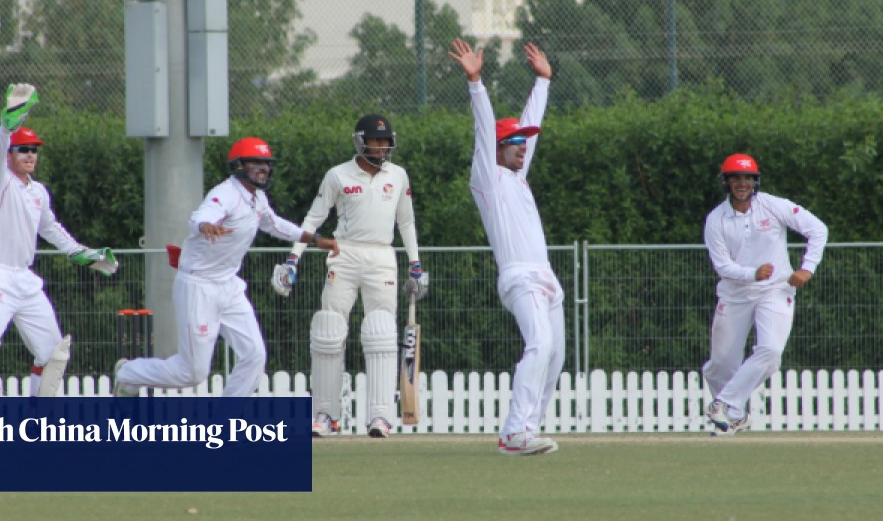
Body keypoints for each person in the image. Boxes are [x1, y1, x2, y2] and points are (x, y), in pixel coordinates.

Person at [113, 137, 339, 398]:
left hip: (229, 286)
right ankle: (127, 373)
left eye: (266, 164)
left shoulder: (257, 199)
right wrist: (206, 225)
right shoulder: (226, 193)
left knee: (254, 355)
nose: (263, 169)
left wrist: (315, 239)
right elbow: (202, 215)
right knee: (192, 373)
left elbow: (274, 224)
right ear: (239, 166)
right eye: (256, 163)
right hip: (199, 286)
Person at [0, 83, 119, 398]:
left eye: (34, 149)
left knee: (54, 354)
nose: (30, 154)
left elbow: (52, 229)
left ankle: (38, 424)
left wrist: (86, 254)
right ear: (10, 155)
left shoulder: (38, 192)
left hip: (24, 279)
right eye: (23, 149)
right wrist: (9, 123)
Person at [273, 114, 428, 439]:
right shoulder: (338, 175)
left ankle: (381, 417)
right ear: (361, 141)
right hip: (344, 253)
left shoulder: (398, 175)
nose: (382, 147)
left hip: (382, 255)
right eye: (376, 141)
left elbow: (407, 223)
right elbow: (313, 218)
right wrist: (292, 260)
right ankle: (325, 414)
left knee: (382, 331)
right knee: (328, 329)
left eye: (386, 142)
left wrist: (416, 264)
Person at [448, 38, 563, 456]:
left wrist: (543, 83)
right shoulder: (489, 178)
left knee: (554, 358)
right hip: (519, 276)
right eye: (516, 142)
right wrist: (475, 83)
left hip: (546, 278)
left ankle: (528, 427)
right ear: (498, 149)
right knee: (540, 345)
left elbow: (532, 123)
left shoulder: (517, 174)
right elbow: (483, 129)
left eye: (524, 142)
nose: (523, 147)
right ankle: (515, 432)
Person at [702, 153, 828, 436]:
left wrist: (807, 268)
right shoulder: (716, 220)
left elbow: (818, 229)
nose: (742, 184)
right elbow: (722, 266)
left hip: (775, 289)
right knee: (721, 364)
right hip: (735, 294)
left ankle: (723, 405)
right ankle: (735, 417)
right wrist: (751, 273)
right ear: (727, 183)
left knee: (770, 352)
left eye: (747, 178)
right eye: (736, 179)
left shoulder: (773, 206)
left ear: (755, 182)